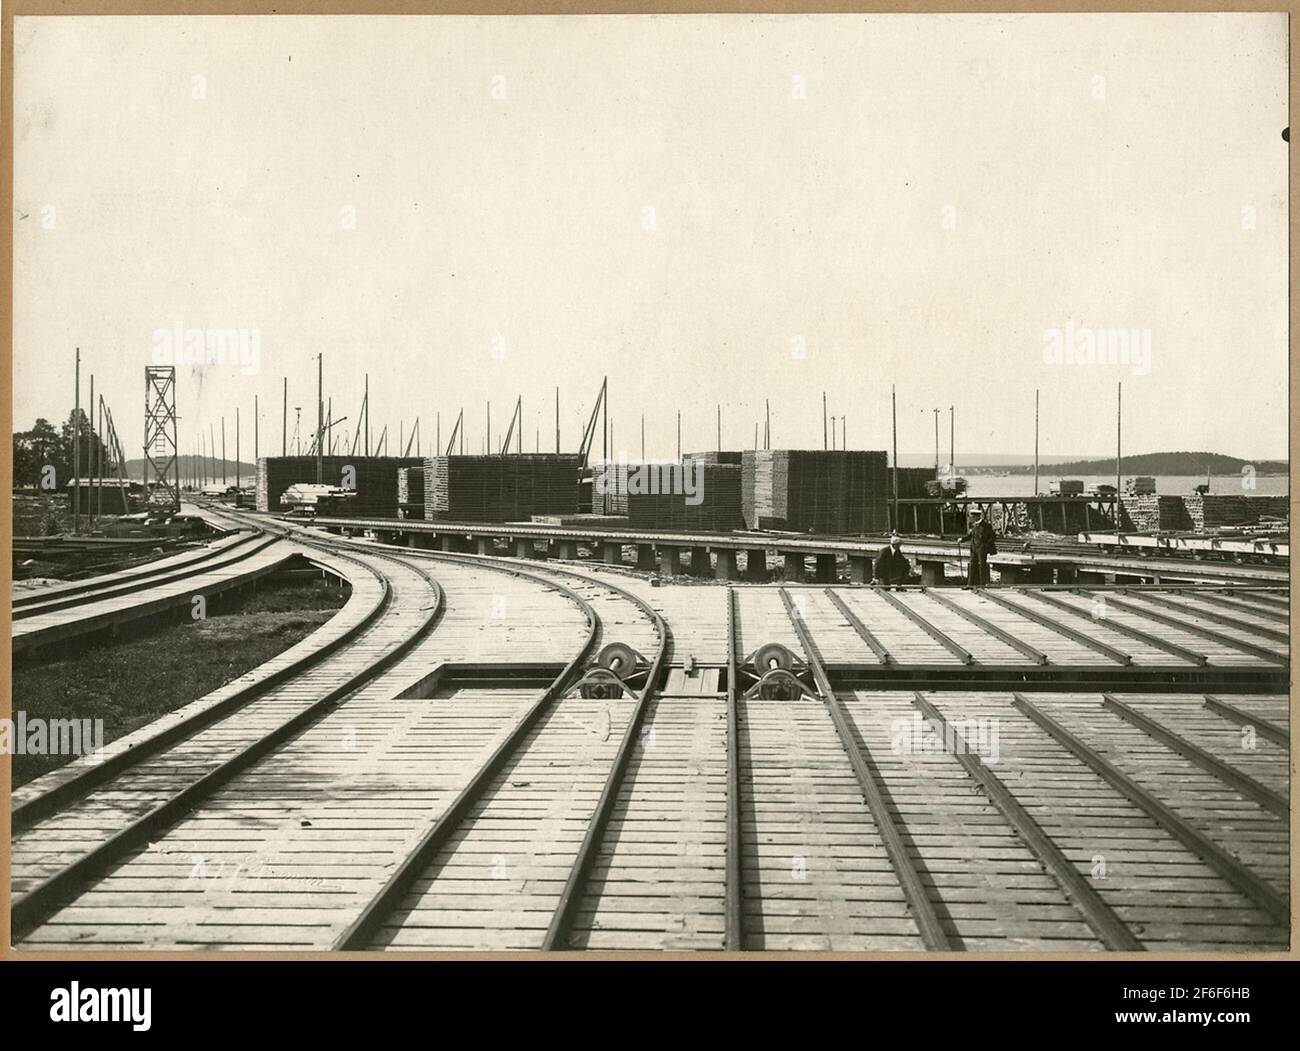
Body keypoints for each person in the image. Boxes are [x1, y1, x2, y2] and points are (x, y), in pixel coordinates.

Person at [960, 510, 998, 586]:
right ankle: (970, 584)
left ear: (976, 517)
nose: (970, 519)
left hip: (981, 549)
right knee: (972, 565)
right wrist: (962, 539)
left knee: (982, 566)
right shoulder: (975, 525)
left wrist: (985, 546)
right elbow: (971, 535)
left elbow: (993, 537)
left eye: (972, 517)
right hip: (973, 549)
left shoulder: (986, 526)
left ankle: (982, 584)